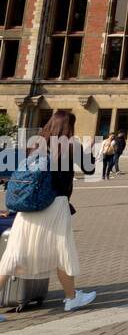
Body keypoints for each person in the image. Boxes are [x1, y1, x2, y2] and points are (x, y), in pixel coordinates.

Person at [0, 110, 97, 321]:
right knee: (63, 251)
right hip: (56, 204)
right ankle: (71, 298)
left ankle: (72, 297)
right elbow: (90, 170)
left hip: (29, 206)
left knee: (13, 254)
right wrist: (88, 150)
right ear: (69, 126)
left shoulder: (36, 145)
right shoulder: (71, 145)